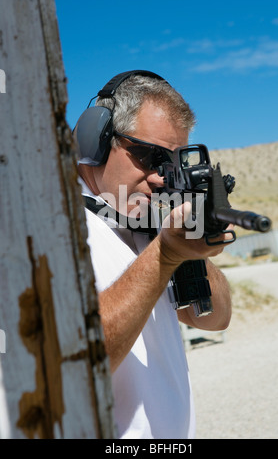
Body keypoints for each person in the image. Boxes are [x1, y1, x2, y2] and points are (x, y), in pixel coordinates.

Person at [75, 71, 233, 439]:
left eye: (171, 166)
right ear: (95, 140)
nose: (161, 178)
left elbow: (214, 319)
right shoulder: (49, 228)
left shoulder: (148, 227)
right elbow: (78, 361)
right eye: (149, 156)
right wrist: (166, 253)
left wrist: (193, 245)